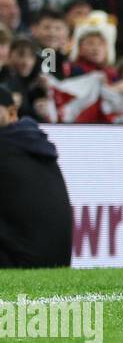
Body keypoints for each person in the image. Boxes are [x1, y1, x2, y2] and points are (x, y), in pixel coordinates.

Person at [0, 85, 72, 267]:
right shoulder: (34, 143)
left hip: (18, 264)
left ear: (12, 112)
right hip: (56, 265)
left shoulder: (7, 147)